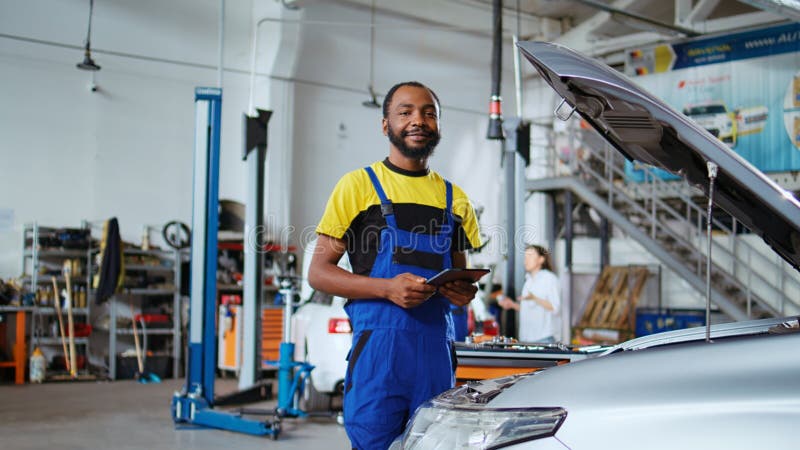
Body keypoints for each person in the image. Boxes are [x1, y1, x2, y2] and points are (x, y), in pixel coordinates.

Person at [308, 81, 482, 450]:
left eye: (429, 113)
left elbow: (461, 277)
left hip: (435, 354)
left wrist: (463, 291)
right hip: (378, 354)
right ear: (386, 124)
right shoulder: (357, 186)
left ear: (438, 126)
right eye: (406, 112)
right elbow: (318, 273)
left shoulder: (456, 199)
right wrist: (386, 288)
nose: (418, 120)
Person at [498, 244, 561, 343]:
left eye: (530, 256)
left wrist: (534, 298)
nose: (526, 260)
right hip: (527, 338)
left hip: (544, 338)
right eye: (525, 257)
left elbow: (555, 308)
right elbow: (529, 309)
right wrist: (512, 305)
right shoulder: (529, 280)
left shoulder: (549, 278)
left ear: (541, 259)